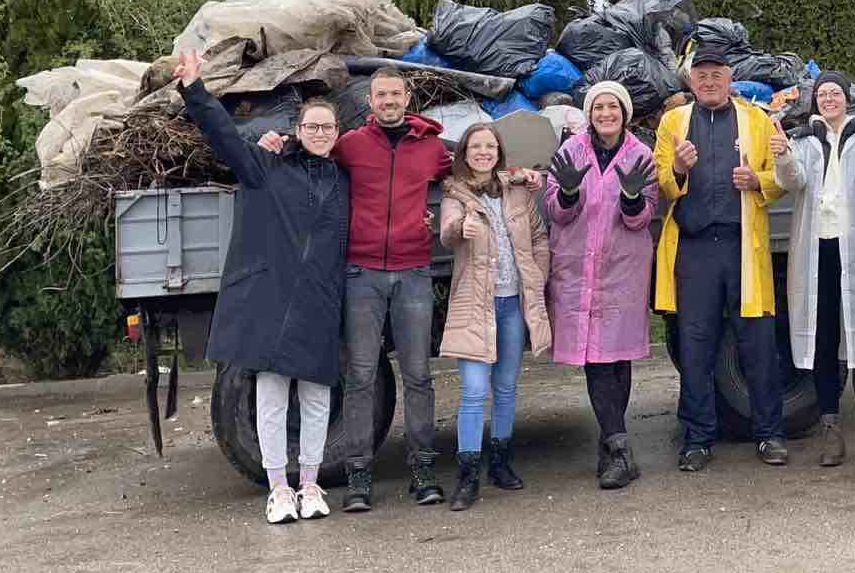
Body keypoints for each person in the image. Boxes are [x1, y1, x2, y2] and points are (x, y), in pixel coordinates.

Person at [258, 65, 450, 512]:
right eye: (380, 95)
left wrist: (516, 174)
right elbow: (309, 155)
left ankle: (423, 470)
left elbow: (469, 169)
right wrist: (276, 143)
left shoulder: (431, 149)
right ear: (370, 101)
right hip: (361, 273)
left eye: (395, 95)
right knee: (361, 375)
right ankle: (358, 475)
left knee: (419, 375)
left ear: (407, 98)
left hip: (414, 272)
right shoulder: (349, 146)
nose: (387, 101)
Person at [174, 49, 348, 525]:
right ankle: (279, 489)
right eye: (311, 126)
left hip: (318, 302)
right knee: (270, 399)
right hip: (271, 302)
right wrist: (194, 88)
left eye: (326, 128)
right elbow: (224, 135)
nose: (318, 134)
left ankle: (310, 485)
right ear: (298, 130)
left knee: (317, 398)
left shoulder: (344, 179)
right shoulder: (265, 167)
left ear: (337, 135)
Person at [653, 45, 787, 471]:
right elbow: (659, 183)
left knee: (758, 345)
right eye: (702, 75)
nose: (709, 82)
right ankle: (696, 439)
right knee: (695, 347)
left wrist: (758, 179)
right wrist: (676, 168)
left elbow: (782, 176)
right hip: (693, 250)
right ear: (692, 82)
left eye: (717, 75)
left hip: (741, 247)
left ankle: (769, 435)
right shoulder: (673, 121)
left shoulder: (756, 119)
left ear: (730, 79)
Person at [770, 71, 855, 476]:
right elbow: (793, 183)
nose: (829, 99)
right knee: (824, 342)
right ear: (815, 102)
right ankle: (831, 429)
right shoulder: (804, 142)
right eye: (823, 94)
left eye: (835, 94)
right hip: (817, 253)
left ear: (846, 100)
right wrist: (781, 155)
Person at [543, 80, 658, 489]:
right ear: (589, 114)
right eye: (598, 108)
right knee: (595, 358)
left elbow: (644, 217)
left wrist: (632, 200)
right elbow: (555, 212)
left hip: (623, 269)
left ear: (624, 113)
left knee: (618, 357)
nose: (605, 114)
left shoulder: (641, 155)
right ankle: (619, 447)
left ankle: (613, 447)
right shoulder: (570, 152)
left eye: (613, 107)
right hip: (579, 269)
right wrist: (569, 192)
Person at [438, 122, 552, 510]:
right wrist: (461, 227)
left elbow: (538, 237)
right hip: (475, 305)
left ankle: (501, 464)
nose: (483, 152)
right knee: (473, 391)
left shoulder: (517, 191)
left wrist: (536, 276)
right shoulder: (455, 193)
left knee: (505, 388)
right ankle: (467, 474)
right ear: (465, 153)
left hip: (511, 305)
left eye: (490, 146)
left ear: (499, 152)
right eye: (475, 146)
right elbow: (447, 232)